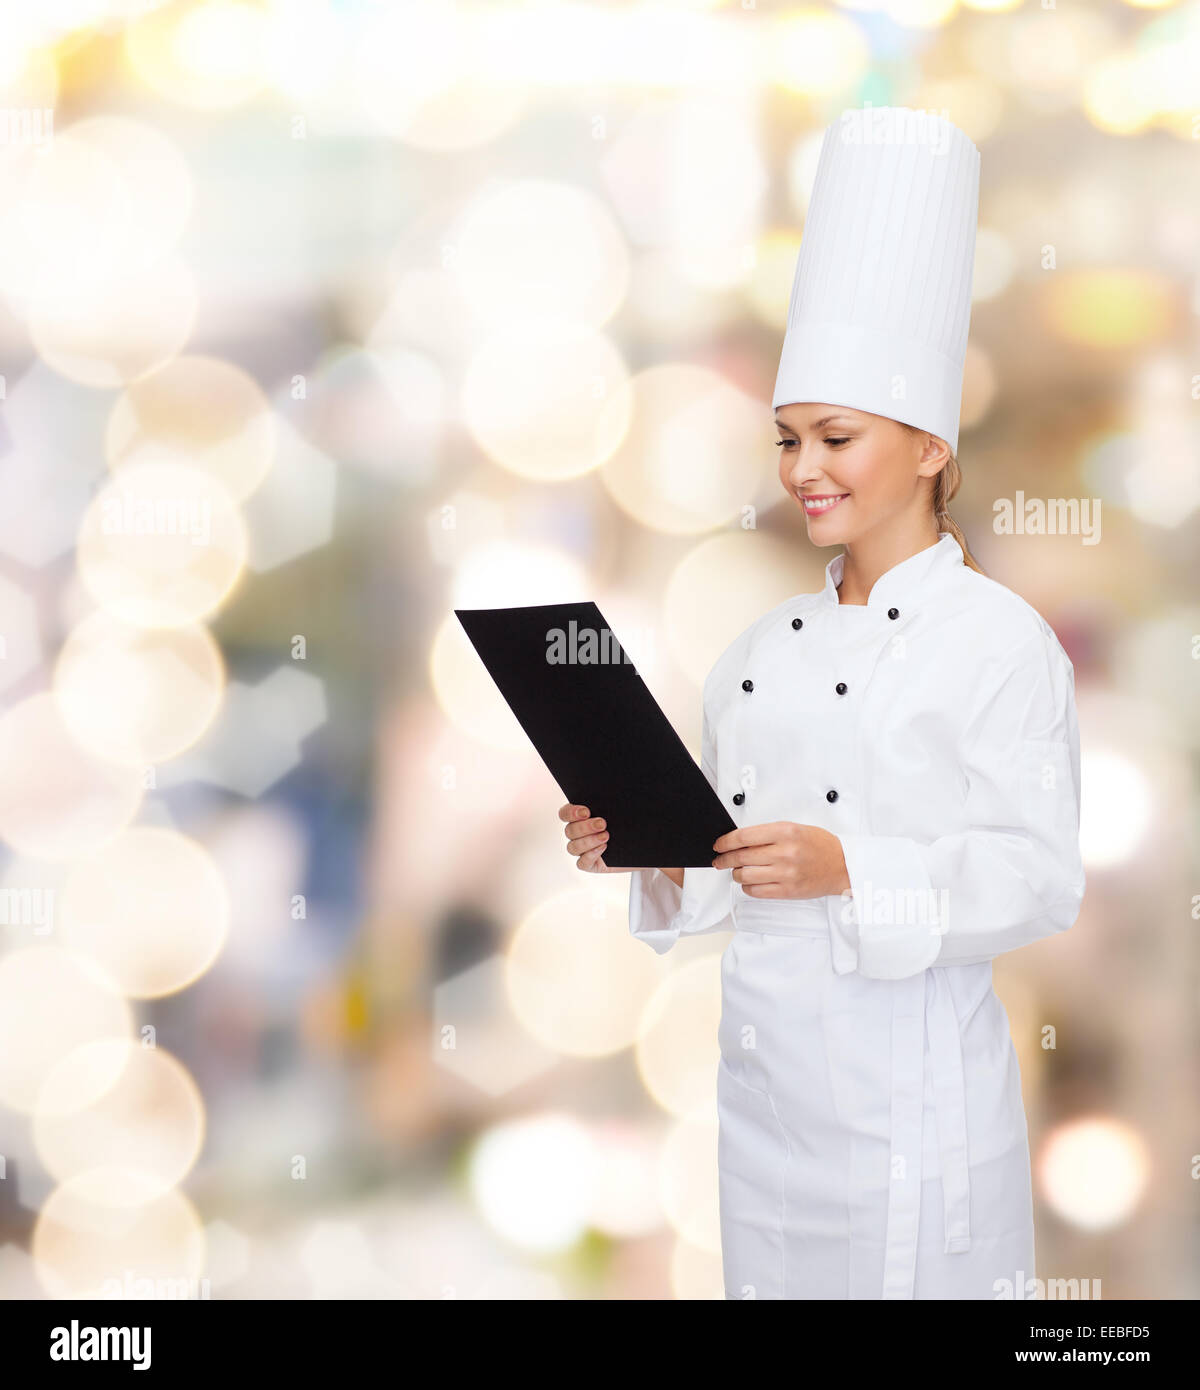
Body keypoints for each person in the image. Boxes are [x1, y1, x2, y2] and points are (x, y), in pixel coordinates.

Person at [560, 106, 1085, 1300]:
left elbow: (1039, 875)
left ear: (932, 446)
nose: (804, 470)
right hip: (764, 1122)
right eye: (791, 438)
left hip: (922, 1130)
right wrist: (642, 852)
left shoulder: (1002, 646)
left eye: (837, 437)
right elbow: (720, 872)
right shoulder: (757, 652)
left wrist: (853, 866)